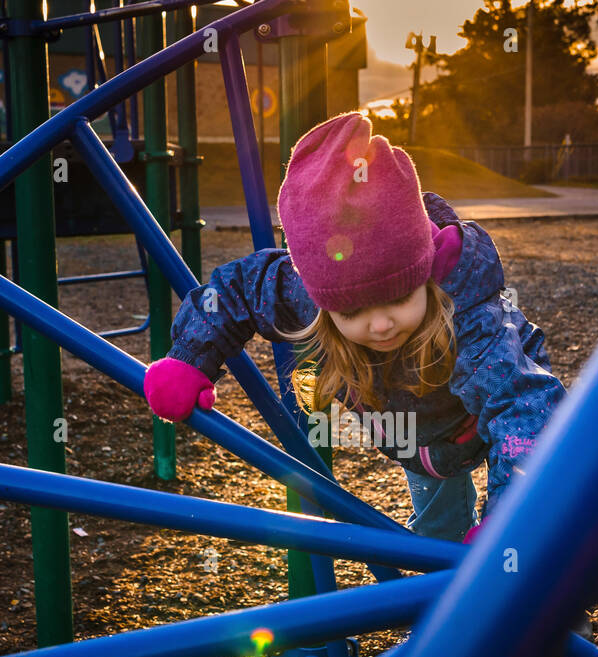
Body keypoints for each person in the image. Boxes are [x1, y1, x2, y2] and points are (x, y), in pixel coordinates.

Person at [143, 111, 566, 544]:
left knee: (524, 556)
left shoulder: (471, 317)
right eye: (352, 312)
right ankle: (451, 594)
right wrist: (189, 358)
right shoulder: (306, 293)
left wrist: (513, 520)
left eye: (400, 298)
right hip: (420, 447)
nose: (380, 324)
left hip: (478, 425)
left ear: (425, 274)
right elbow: (238, 288)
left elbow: (524, 410)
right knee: (440, 539)